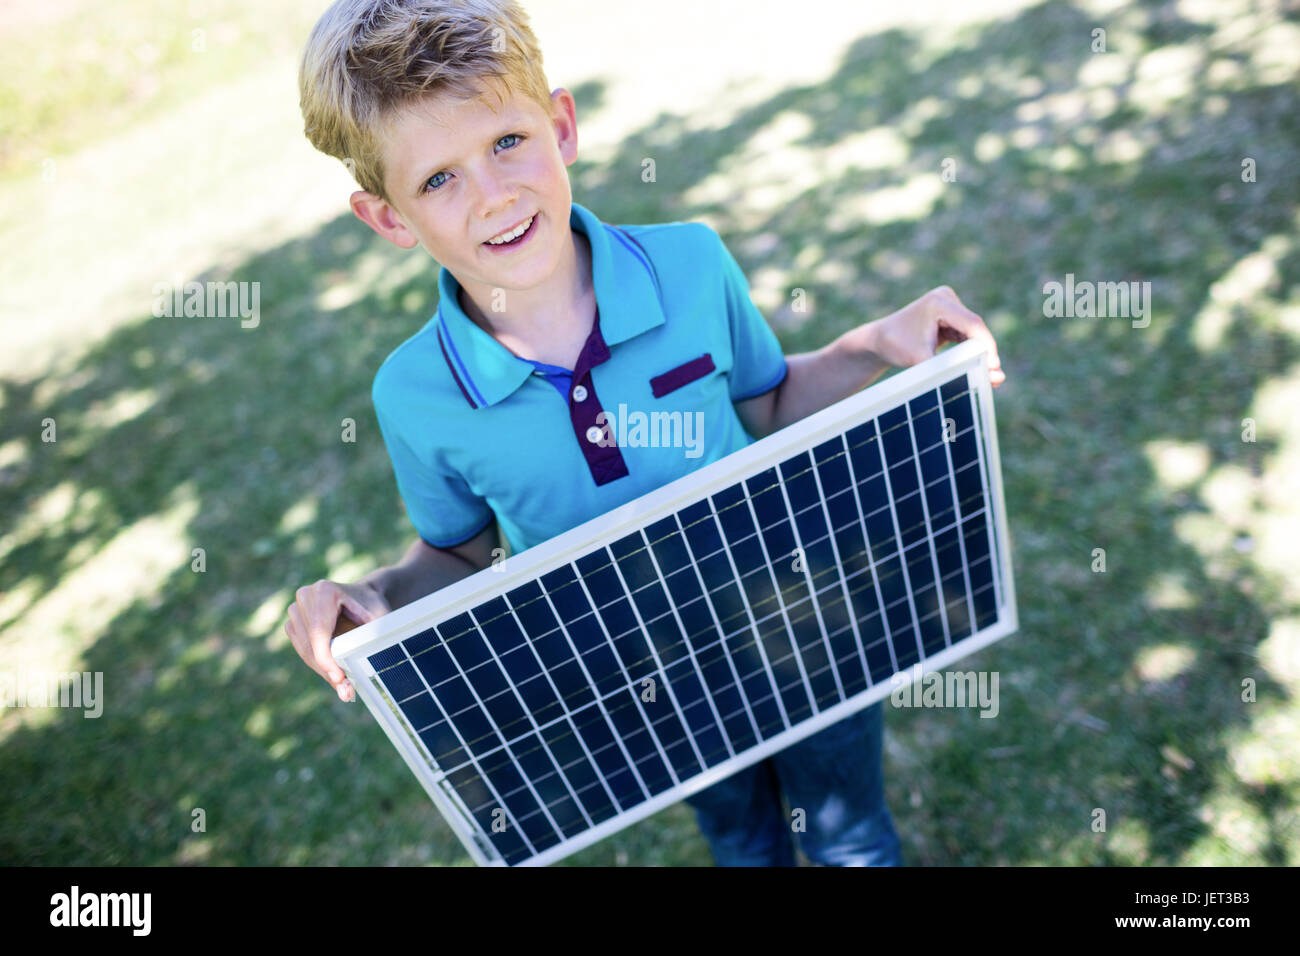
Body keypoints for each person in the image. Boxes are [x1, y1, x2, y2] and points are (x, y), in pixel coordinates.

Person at [286, 0, 1005, 866]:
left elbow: (768, 408)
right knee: (742, 841)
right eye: (439, 179)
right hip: (647, 679)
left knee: (852, 835)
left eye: (508, 142)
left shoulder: (692, 264)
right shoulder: (414, 394)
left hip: (795, 617)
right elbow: (459, 557)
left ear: (560, 125)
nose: (494, 194)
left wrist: (874, 346)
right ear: (390, 218)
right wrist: (375, 601)